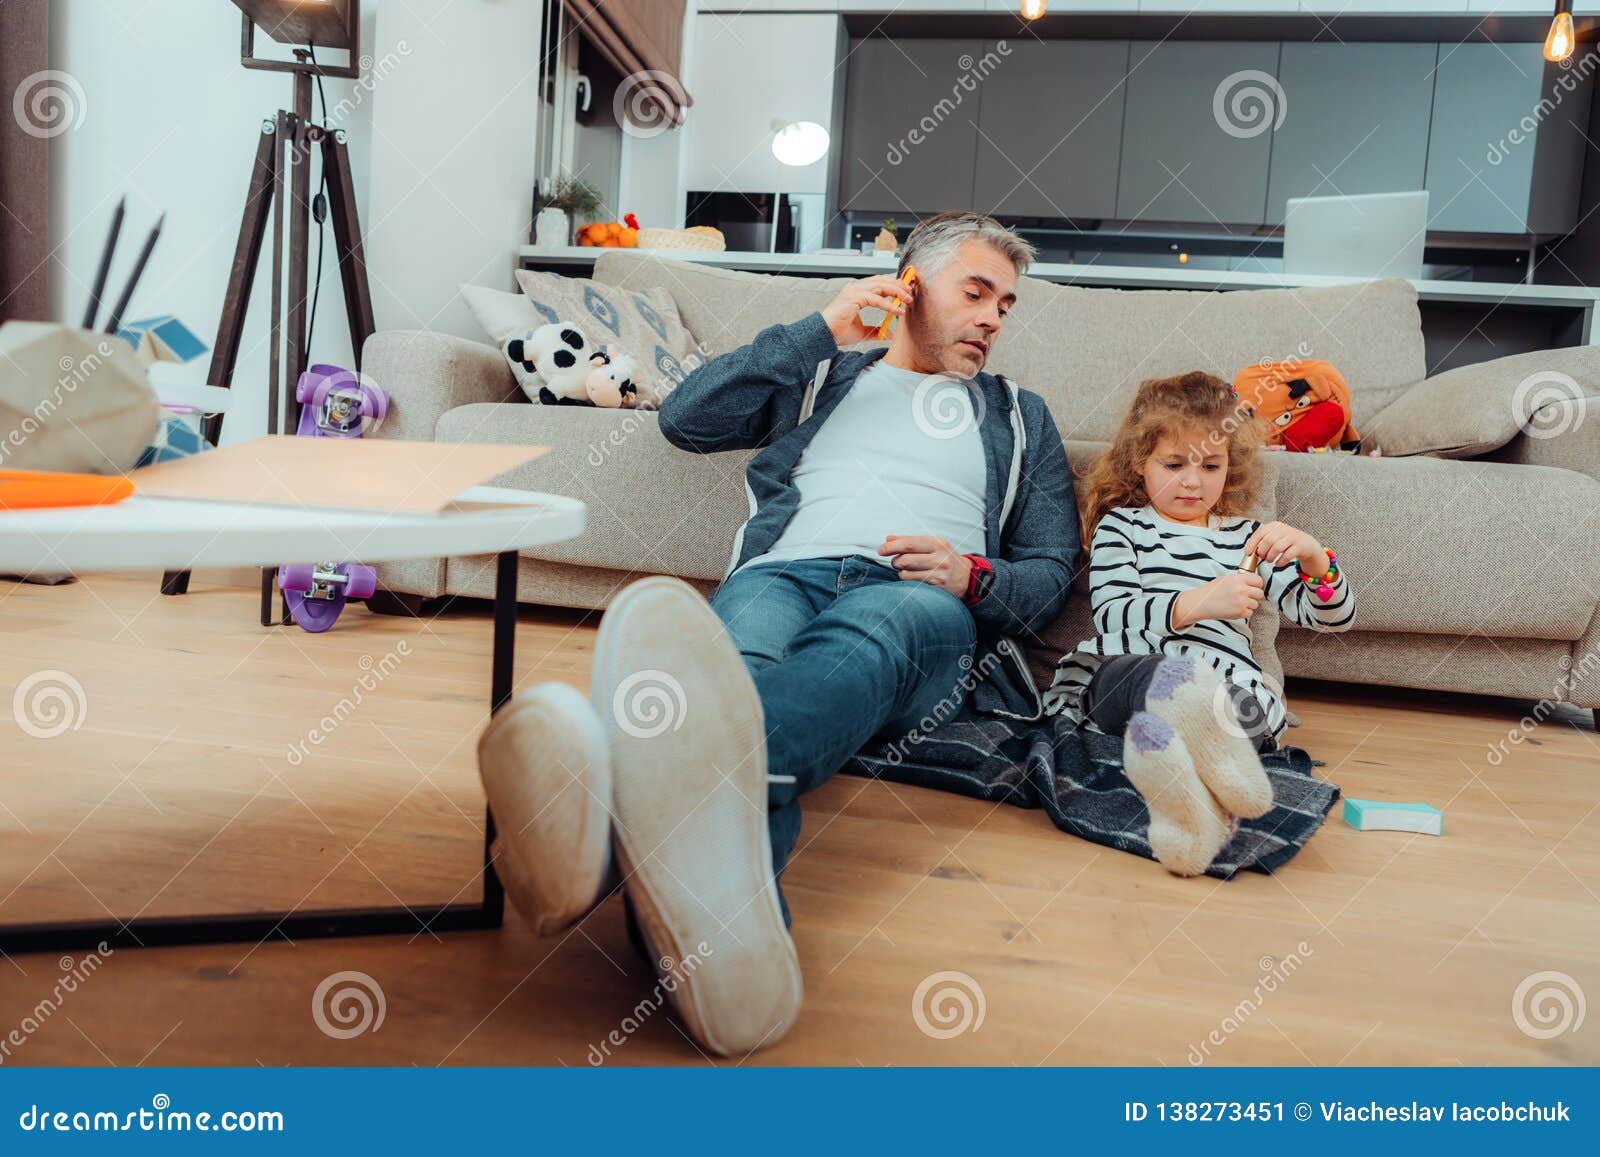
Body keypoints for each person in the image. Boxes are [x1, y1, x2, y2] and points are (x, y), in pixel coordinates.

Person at [476, 211, 1078, 1057]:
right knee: (727, 694)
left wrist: (971, 575)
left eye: (1006, 305)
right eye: (975, 293)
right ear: (908, 284)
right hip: (780, 577)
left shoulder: (1021, 417)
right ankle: (729, 958)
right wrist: (822, 328)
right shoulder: (822, 373)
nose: (992, 319)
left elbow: (1052, 571)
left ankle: (597, 817)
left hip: (917, 601)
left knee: (855, 642)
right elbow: (684, 418)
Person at [1043, 370, 1355, 875]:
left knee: (1252, 709)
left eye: (1211, 465)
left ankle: (1189, 809)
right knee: (1133, 677)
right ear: (1139, 462)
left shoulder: (1246, 538)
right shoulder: (1124, 527)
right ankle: (1208, 757)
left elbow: (1331, 619)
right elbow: (1114, 618)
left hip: (1225, 681)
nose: (1192, 481)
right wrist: (1200, 602)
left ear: (1230, 468)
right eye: (1173, 464)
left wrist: (1317, 560)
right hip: (1138, 670)